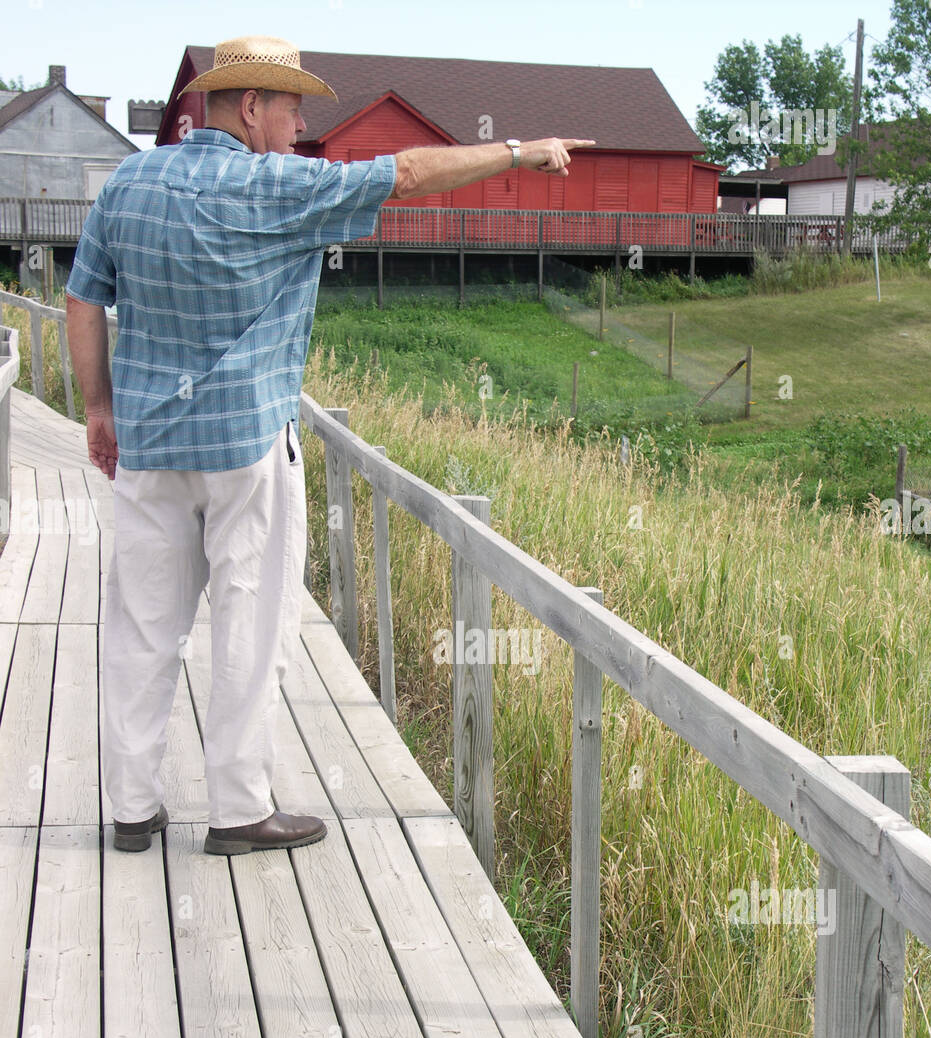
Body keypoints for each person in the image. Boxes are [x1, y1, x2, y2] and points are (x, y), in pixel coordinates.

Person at [65, 33, 594, 855]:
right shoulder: (280, 187)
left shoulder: (128, 181)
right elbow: (408, 175)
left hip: (146, 446)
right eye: (291, 106)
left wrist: (98, 409)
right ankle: (238, 811)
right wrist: (522, 153)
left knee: (140, 627)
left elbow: (82, 300)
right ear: (249, 107)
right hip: (244, 446)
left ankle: (132, 808)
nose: (300, 122)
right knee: (251, 624)